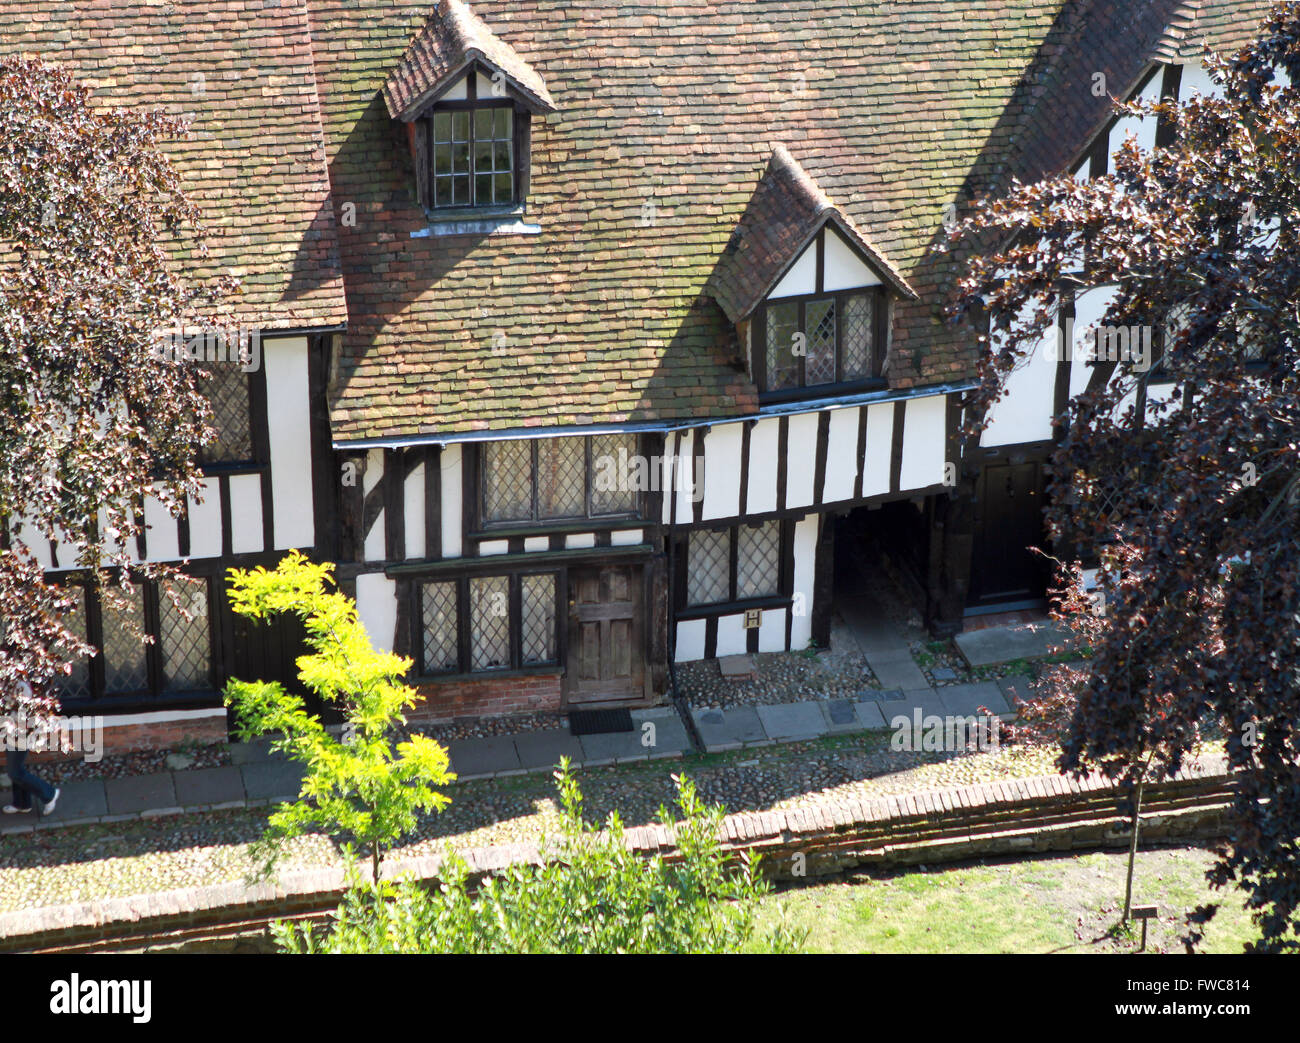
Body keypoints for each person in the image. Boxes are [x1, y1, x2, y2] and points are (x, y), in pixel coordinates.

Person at [2, 682, 60, 815]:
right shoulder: (8, 682)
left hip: (21, 734)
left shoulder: (20, 686)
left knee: (15, 772)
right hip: (12, 733)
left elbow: (24, 714)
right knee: (17, 769)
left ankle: (49, 794)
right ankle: (22, 803)